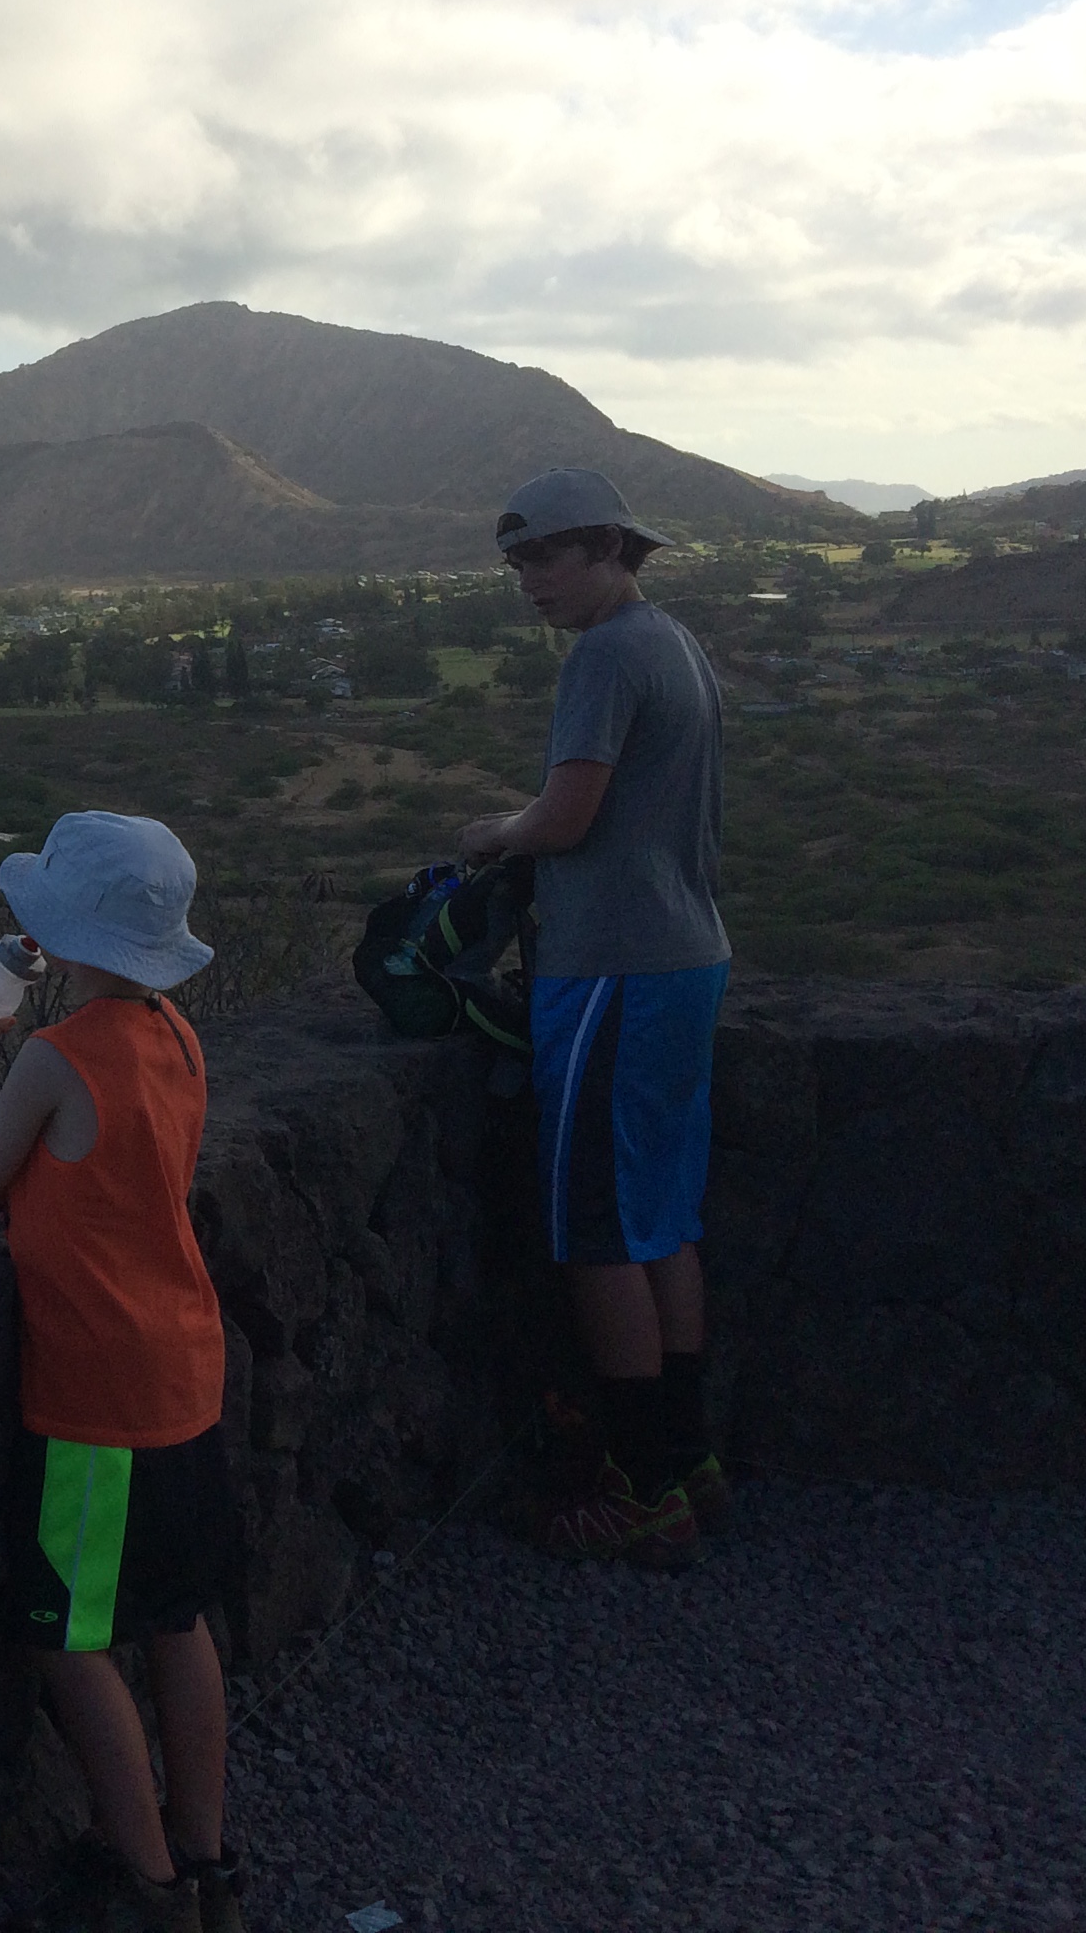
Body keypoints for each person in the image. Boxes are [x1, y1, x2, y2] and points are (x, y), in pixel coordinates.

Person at [0, 811, 243, 1933]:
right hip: (184, 1374)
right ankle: (205, 1855)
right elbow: (72, 1165)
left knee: (71, 1638)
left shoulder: (55, 1054)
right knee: (178, 1622)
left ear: (62, 929)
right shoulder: (175, 1037)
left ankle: (143, 1884)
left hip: (95, 1398)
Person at [452, 466, 732, 1571]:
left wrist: (493, 832)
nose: (531, 582)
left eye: (550, 557)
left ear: (612, 547)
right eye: (520, 563)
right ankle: (687, 1458)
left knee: (599, 1231)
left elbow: (567, 818)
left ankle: (640, 1488)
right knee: (663, 1217)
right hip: (684, 956)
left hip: (614, 968)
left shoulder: (606, 657)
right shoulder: (675, 641)